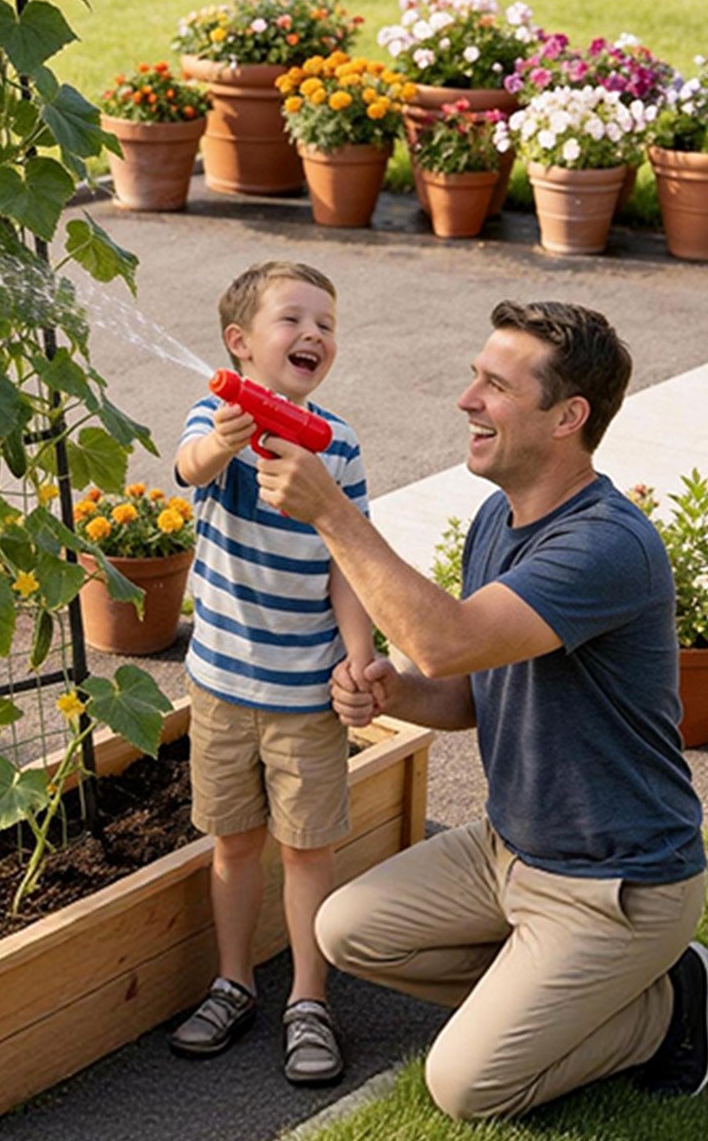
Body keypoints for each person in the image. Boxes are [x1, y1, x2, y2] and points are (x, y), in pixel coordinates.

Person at [254, 299, 707, 1119]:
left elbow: (449, 641)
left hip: (615, 879)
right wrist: (398, 691)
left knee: (467, 1086)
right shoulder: (500, 516)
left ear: (568, 416)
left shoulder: (606, 545)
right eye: (474, 377)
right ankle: (563, 988)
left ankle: (672, 1007)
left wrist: (331, 512)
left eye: (494, 386)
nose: (466, 400)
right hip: (510, 848)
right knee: (345, 929)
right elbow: (465, 687)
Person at [168, 261, 376, 1085]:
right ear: (239, 345)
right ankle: (234, 983)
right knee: (233, 844)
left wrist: (359, 655)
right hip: (221, 687)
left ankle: (309, 999)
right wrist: (226, 434)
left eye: (326, 322)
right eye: (293, 320)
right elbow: (188, 468)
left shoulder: (341, 444)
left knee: (306, 851)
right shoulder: (212, 422)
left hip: (306, 696)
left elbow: (346, 560)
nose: (314, 334)